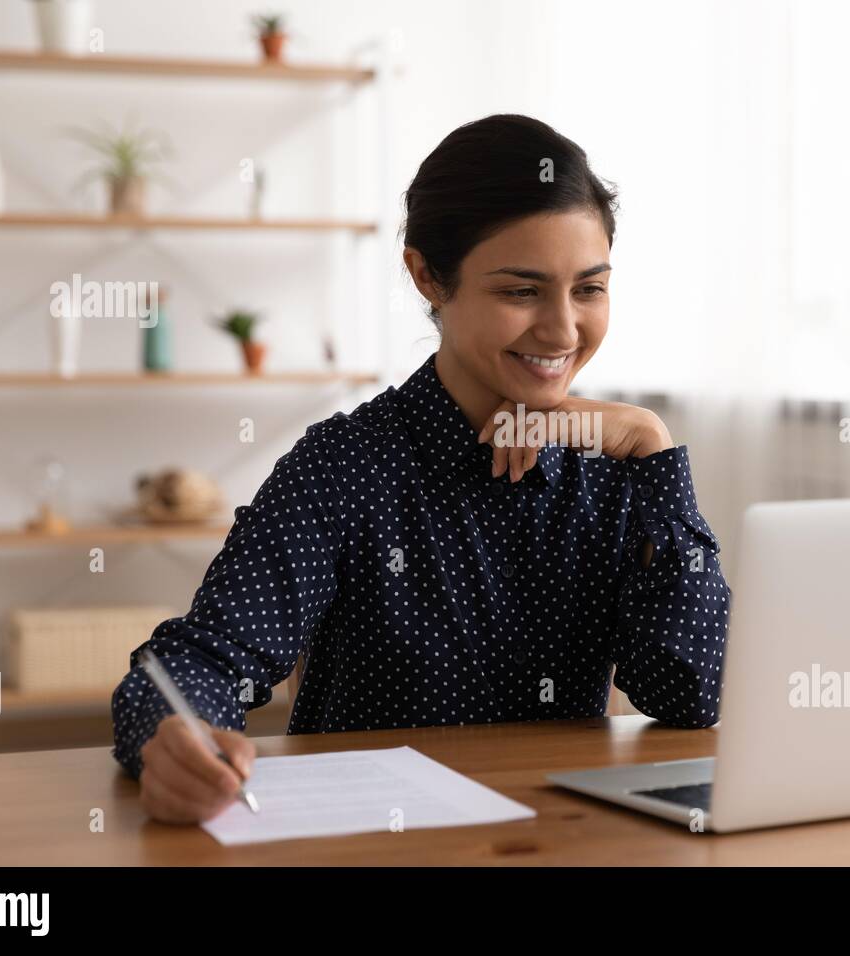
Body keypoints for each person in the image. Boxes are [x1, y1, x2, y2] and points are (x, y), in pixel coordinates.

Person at [111, 113, 731, 824]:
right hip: (374, 845)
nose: (563, 331)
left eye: (589, 289)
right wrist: (173, 737)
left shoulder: (617, 470)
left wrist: (654, 448)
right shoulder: (344, 467)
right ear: (428, 277)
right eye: (521, 291)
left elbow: (687, 695)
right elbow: (202, 660)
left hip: (562, 842)